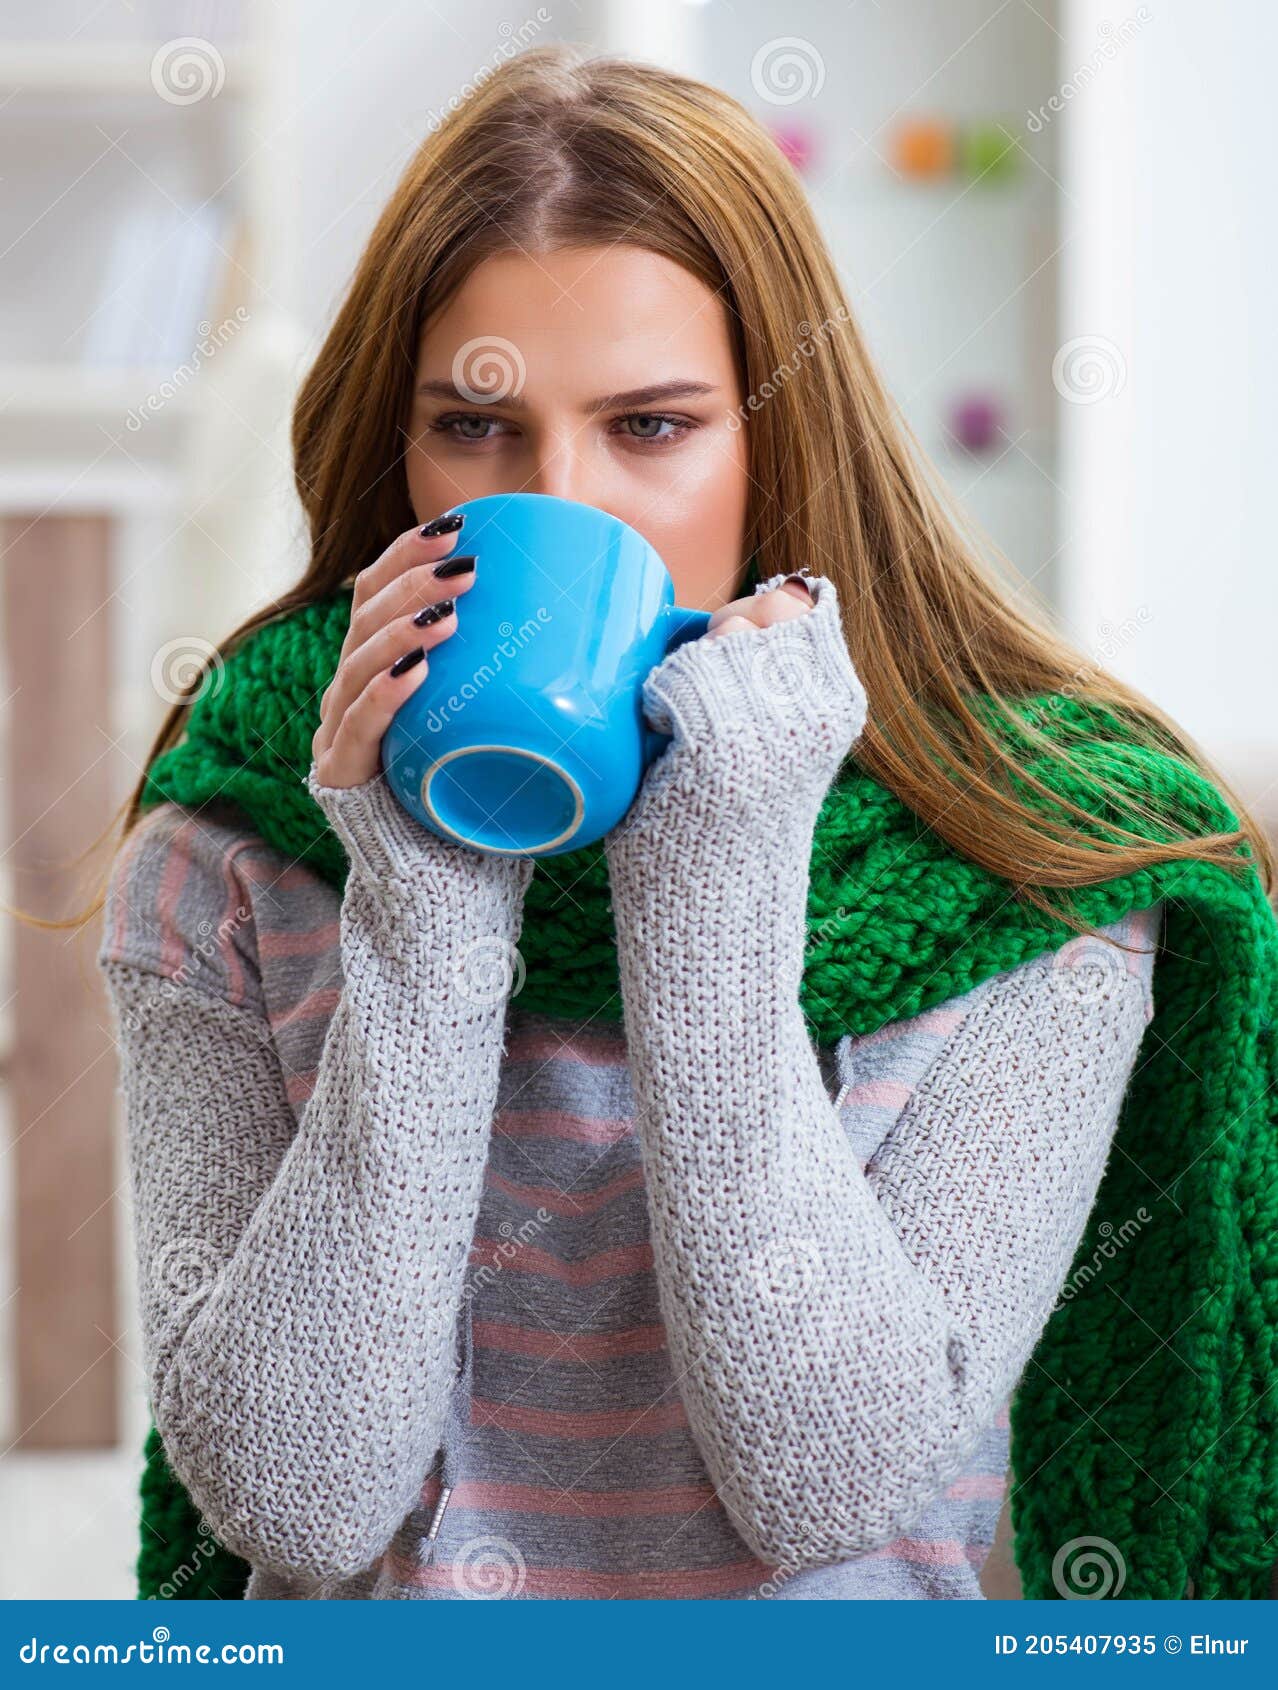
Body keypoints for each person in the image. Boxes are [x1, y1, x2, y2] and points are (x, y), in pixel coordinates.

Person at [83, 45, 1272, 1601]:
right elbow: (296, 1502)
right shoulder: (230, 852)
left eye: (650, 428)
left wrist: (711, 888)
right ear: (397, 452)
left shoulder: (1036, 865)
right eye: (477, 427)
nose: (566, 503)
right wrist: (429, 887)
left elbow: (830, 1485)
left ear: (781, 441)